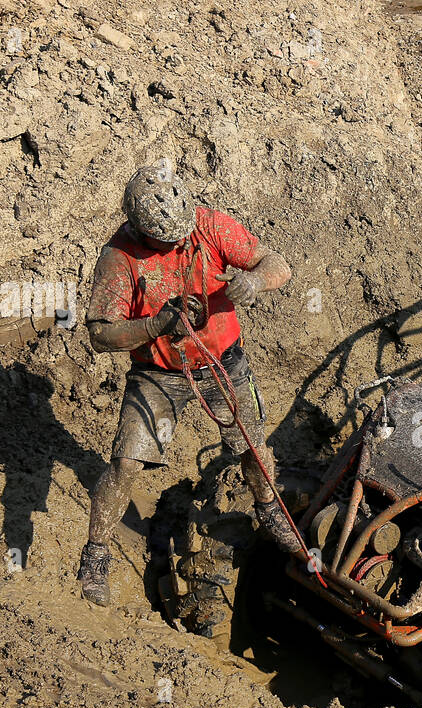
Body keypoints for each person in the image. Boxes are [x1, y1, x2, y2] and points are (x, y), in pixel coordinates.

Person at [76, 163, 295, 606]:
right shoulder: (119, 258)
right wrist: (156, 324)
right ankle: (96, 552)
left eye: (181, 235)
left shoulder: (209, 225)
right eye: (166, 241)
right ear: (140, 231)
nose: (178, 244)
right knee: (126, 464)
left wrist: (254, 281)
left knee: (253, 446)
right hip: (159, 373)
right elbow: (100, 334)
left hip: (223, 362)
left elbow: (278, 264)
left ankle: (270, 510)